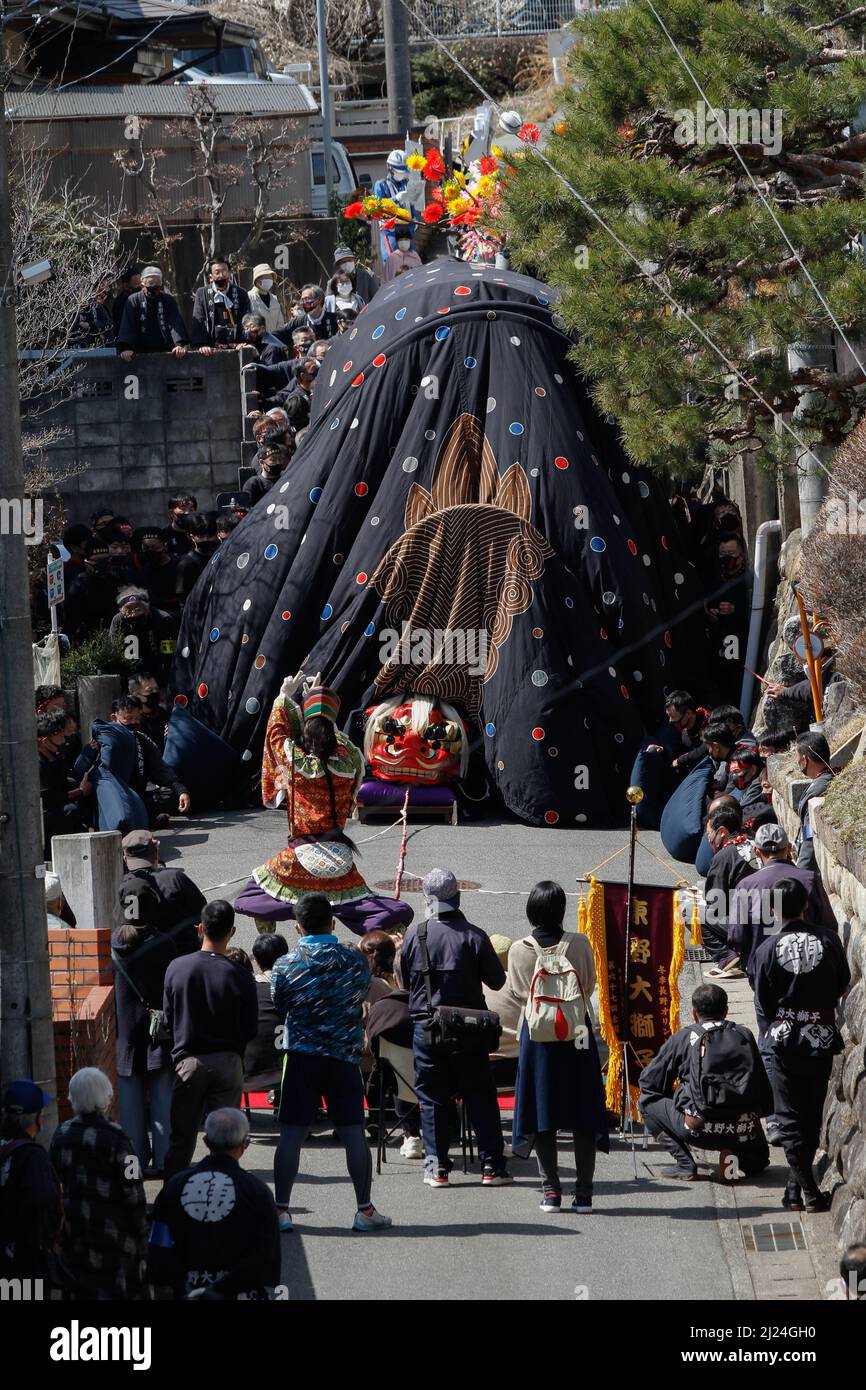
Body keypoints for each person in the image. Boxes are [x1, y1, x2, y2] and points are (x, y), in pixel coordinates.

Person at [234, 674, 413, 934]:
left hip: (299, 856)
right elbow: (344, 743)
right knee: (362, 905)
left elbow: (276, 737)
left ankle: (269, 954)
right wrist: (321, 704)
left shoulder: (298, 764)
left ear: (306, 733)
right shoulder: (349, 763)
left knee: (255, 896)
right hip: (340, 857)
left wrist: (283, 698)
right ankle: (392, 942)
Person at [271, 893, 392, 1233]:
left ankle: (281, 1210)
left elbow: (281, 1006)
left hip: (301, 1058)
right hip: (343, 1056)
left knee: (291, 1134)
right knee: (354, 1132)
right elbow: (359, 994)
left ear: (297, 927)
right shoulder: (354, 961)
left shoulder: (285, 965)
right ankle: (364, 1209)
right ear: (333, 923)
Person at [400, 867, 510, 1188]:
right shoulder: (474, 936)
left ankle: (437, 1168)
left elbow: (406, 981)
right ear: (458, 897)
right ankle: (492, 1166)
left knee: (433, 1097)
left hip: (427, 1027)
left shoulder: (415, 934)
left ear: (426, 900)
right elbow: (497, 980)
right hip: (470, 1029)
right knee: (479, 1094)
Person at [506, 882, 607, 1212]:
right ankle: (585, 1192)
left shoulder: (521, 949)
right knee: (582, 1111)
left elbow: (520, 993)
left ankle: (551, 1191)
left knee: (542, 1110)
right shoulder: (579, 943)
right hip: (577, 1032)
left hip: (538, 1037)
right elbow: (589, 984)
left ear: (531, 911)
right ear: (562, 910)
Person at [753, 877, 850, 1212]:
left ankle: (804, 1191)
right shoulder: (830, 940)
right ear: (806, 903)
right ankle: (798, 1191)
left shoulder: (766, 950)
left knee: (790, 1117)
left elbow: (763, 1001)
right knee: (811, 1115)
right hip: (820, 1036)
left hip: (783, 1040)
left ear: (773, 910)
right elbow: (842, 982)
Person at [162, 900, 259, 1179]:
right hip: (229, 1062)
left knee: (181, 1139)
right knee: (226, 1141)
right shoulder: (241, 975)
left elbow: (168, 1019)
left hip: (189, 1061)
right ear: (232, 932)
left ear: (200, 928)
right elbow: (249, 1027)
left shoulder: (177, 968)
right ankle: (225, 1193)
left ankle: (172, 1199)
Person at [640, 984, 772, 1183]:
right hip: (744, 1129)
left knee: (647, 1103)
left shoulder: (686, 1037)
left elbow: (649, 1082)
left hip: (700, 1129)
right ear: (726, 1011)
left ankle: (685, 1164)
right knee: (759, 1163)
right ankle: (733, 1157)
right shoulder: (744, 1034)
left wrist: (678, 1094)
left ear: (694, 1013)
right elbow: (762, 1086)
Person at [149, 1108, 280, 1299]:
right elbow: (266, 1257)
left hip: (185, 1291)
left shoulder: (175, 1186)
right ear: (246, 1144)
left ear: (206, 1141)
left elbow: (158, 1248)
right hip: (241, 1293)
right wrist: (221, 1289)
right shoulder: (257, 1192)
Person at [49, 1067, 149, 1299]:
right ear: (106, 1096)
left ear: (73, 1097)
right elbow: (135, 1190)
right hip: (115, 1239)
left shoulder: (61, 1134)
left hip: (75, 1233)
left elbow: (54, 1181)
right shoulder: (120, 1138)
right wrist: (141, 1231)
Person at [112, 905, 179, 1177]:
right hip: (158, 1032)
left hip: (124, 1034)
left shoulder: (112, 943)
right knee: (163, 1101)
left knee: (129, 1106)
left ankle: (135, 1161)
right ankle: (164, 1161)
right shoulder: (165, 943)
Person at [0, 1080, 63, 1282]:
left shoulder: (4, 1146)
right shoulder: (33, 1157)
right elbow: (42, 1201)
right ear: (36, 1119)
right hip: (24, 1264)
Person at [119, 829, 204, 952]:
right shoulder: (174, 878)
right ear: (156, 853)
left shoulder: (124, 885)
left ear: (125, 859)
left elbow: (121, 926)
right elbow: (202, 914)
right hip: (180, 953)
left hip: (140, 957)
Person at [702, 803, 757, 974]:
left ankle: (725, 954)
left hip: (749, 925)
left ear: (722, 832)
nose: (709, 839)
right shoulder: (756, 841)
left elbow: (714, 902)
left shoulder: (724, 856)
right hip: (774, 916)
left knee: (690, 910)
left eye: (709, 833)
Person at [244, 934, 290, 1083]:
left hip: (249, 1073)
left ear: (256, 961)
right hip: (288, 1074)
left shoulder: (246, 991)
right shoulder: (297, 988)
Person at [109, 586, 178, 685]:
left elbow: (169, 656)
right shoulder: (118, 621)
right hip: (131, 672)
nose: (133, 613)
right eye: (129, 609)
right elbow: (114, 651)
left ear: (147, 608)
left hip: (159, 670)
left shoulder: (164, 620)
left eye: (137, 608)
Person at [117, 265, 189, 359]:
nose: (155, 286)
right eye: (151, 283)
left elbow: (175, 322)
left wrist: (179, 344)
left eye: (158, 283)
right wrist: (126, 347)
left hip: (166, 349)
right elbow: (128, 324)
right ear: (142, 284)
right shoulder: (133, 300)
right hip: (139, 351)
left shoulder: (168, 299)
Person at [38, 708, 86, 846]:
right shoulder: (38, 764)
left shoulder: (55, 758)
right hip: (47, 815)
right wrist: (80, 791)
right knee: (71, 811)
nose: (63, 741)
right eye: (60, 737)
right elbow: (49, 799)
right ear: (45, 741)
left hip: (59, 803)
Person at [63, 535, 121, 639]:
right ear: (86, 561)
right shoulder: (79, 584)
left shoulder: (117, 579)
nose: (102, 564)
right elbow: (72, 617)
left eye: (106, 560)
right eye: (97, 560)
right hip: (89, 639)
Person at [793, 731, 834, 870]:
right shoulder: (822, 781)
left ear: (804, 760)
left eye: (797, 759)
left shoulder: (819, 789)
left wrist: (800, 870)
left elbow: (809, 834)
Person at [192, 258, 251, 352]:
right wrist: (202, 344)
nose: (221, 275)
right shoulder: (202, 293)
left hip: (236, 347)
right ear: (210, 276)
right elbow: (199, 319)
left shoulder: (241, 293)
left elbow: (247, 319)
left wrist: (244, 342)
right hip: (211, 348)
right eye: (217, 272)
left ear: (229, 273)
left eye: (224, 271)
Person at [374, 150, 420, 263]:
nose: (402, 174)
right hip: (391, 232)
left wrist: (415, 219)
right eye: (399, 171)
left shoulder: (406, 184)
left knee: (411, 263)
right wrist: (396, 198)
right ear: (390, 168)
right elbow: (378, 207)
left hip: (407, 230)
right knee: (393, 264)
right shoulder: (381, 185)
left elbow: (411, 206)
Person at [175, 511, 219, 611]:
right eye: (201, 536)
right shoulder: (186, 564)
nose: (206, 539)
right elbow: (184, 601)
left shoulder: (219, 556)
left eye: (210, 535)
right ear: (191, 537)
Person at [132, 526, 180, 618]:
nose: (151, 551)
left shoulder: (180, 565)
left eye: (155, 547)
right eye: (146, 548)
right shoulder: (143, 572)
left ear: (165, 546)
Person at [727, 742, 775, 832]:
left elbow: (741, 806)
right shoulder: (750, 783)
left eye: (737, 771)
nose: (734, 776)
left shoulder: (757, 784)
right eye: (732, 773)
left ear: (753, 769)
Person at [128, 671, 169, 747]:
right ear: (136, 694)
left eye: (156, 689)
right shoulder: (133, 720)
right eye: (149, 690)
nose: (155, 692)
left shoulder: (164, 713)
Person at [71, 281, 114, 347]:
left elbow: (108, 325)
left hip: (96, 346)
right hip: (77, 347)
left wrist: (91, 325)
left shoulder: (97, 307)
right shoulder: (72, 311)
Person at [247, 262, 286, 332]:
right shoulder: (248, 297)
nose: (270, 280)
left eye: (271, 277)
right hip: (256, 341)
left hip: (274, 340)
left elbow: (280, 323)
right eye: (266, 277)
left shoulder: (274, 299)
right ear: (257, 280)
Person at [162, 493, 197, 559]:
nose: (187, 513)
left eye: (191, 509)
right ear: (171, 513)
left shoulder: (200, 535)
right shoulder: (163, 536)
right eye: (183, 509)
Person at [112, 264, 142, 336]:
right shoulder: (120, 303)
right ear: (125, 286)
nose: (139, 287)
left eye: (140, 284)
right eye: (136, 285)